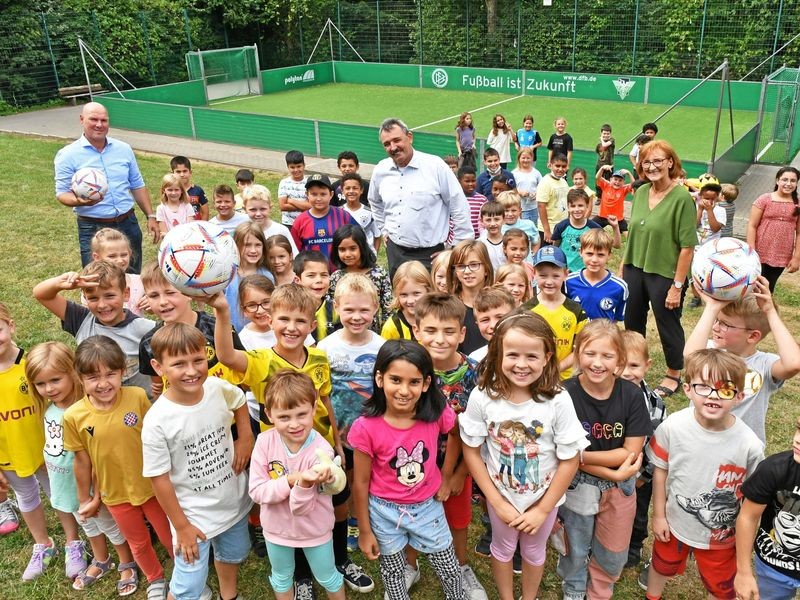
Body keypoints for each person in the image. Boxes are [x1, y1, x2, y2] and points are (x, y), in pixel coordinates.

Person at [211, 285, 374, 596]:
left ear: (311, 325)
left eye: (300, 320)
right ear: (271, 321)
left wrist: (337, 443)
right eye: (284, 319)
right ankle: (301, 576)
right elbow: (226, 356)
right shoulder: (260, 361)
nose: (291, 327)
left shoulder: (319, 357)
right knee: (292, 513)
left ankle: (339, 560)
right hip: (283, 458)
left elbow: (325, 399)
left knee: (336, 507)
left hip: (322, 452)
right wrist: (221, 311)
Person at [461, 311, 588, 600]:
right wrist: (497, 502)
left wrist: (543, 509)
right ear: (497, 354)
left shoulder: (558, 400)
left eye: (532, 356)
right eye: (513, 355)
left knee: (534, 551)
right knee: (502, 549)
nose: (521, 364)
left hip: (543, 498)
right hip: (500, 497)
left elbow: (570, 459)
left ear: (547, 357)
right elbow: (471, 450)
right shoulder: (483, 396)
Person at [142, 323, 253, 600]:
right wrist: (181, 527)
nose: (191, 371)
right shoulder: (157, 421)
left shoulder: (216, 388)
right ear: (158, 367)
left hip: (233, 503)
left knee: (234, 554)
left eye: (198, 360)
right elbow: (159, 479)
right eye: (179, 364)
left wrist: (245, 437)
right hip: (193, 517)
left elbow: (239, 399)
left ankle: (229, 595)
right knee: (188, 586)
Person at [350, 341, 467, 600]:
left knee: (449, 568)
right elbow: (360, 482)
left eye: (414, 382)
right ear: (379, 379)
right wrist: (365, 531)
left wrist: (447, 475)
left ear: (426, 383)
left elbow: (456, 434)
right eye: (395, 379)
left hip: (428, 507)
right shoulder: (365, 427)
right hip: (384, 512)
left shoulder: (436, 412)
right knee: (393, 573)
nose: (404, 390)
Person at [643, 349, 764, 600]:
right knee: (661, 565)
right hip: (674, 524)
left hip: (721, 537)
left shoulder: (749, 446)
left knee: (721, 586)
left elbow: (753, 500)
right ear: (688, 389)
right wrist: (659, 516)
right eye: (704, 387)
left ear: (739, 397)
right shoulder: (673, 427)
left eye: (725, 389)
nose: (713, 395)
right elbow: (661, 471)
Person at [64, 336, 173, 600]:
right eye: (93, 377)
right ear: (80, 378)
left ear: (122, 371)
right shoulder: (73, 416)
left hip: (153, 487)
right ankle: (155, 578)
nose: (103, 384)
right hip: (115, 494)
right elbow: (82, 461)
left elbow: (157, 439)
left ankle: (185, 572)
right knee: (138, 542)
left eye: (110, 374)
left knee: (168, 535)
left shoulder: (137, 397)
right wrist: (86, 498)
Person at [26, 341, 135, 591]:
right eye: (40, 384)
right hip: (66, 486)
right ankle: (102, 559)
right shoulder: (50, 410)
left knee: (109, 525)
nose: (49, 388)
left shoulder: (84, 412)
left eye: (55, 380)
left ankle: (126, 562)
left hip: (90, 488)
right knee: (88, 526)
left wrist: (94, 496)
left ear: (73, 373)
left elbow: (95, 458)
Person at [557, 320, 652, 600]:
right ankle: (574, 587)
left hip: (620, 487)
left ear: (619, 360)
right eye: (590, 353)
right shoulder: (564, 395)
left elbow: (630, 452)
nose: (597, 363)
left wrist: (580, 456)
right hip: (577, 483)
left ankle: (600, 589)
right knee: (575, 543)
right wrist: (606, 469)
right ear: (577, 354)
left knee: (614, 551)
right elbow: (560, 451)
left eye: (607, 356)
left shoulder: (632, 395)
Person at [410, 293, 489, 600]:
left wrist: (459, 473)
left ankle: (460, 567)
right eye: (430, 330)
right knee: (412, 516)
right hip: (414, 464)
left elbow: (481, 432)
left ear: (462, 333)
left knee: (458, 518)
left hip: (459, 462)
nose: (440, 339)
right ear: (417, 331)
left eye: (448, 331)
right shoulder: (409, 371)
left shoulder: (477, 374)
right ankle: (409, 565)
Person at [248, 371, 347, 600]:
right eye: (284, 417)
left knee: (328, 577)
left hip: (314, 530)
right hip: (276, 530)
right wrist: (292, 480)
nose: (294, 424)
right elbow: (257, 491)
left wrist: (307, 483)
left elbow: (301, 508)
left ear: (314, 408)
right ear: (269, 414)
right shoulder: (264, 442)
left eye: (301, 414)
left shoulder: (322, 451)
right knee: (281, 577)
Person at [0, 303, 71, 581]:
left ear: (10, 326)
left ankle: (73, 542)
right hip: (8, 452)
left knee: (58, 493)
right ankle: (43, 544)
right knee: (25, 495)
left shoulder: (32, 365)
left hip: (46, 449)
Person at [683, 279, 800, 445]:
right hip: (697, 441)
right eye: (716, 320)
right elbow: (690, 356)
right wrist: (712, 308)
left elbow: (794, 363)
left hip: (739, 450)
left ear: (752, 336)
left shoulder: (765, 365)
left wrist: (770, 311)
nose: (715, 327)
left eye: (725, 324)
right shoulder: (708, 350)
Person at [622, 140, 697, 398]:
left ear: (670, 162)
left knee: (667, 323)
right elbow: (634, 234)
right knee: (632, 321)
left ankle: (674, 372)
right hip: (635, 267)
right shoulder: (642, 192)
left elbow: (687, 247)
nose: (652, 166)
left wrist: (677, 286)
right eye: (646, 162)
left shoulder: (682, 198)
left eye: (657, 161)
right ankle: (633, 366)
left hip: (665, 273)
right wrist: (623, 267)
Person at [317, 274, 385, 557]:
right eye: (349, 310)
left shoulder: (381, 347)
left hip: (372, 431)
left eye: (364, 310)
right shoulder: (325, 348)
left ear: (376, 308)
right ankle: (343, 522)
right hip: (339, 429)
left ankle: (361, 520)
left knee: (365, 478)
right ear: (336, 307)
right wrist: (333, 435)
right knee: (343, 478)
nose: (357, 317)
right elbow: (322, 394)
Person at [54, 102, 159, 271]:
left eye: (104, 120)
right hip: (93, 227)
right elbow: (62, 194)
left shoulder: (123, 149)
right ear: (82, 119)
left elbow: (137, 184)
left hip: (128, 223)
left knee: (132, 275)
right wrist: (81, 201)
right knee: (97, 278)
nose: (99, 124)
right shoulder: (67, 155)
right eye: (93, 119)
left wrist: (150, 216)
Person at [33, 260, 155, 395]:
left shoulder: (146, 329)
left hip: (141, 404)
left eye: (109, 296)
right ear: (85, 298)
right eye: (93, 298)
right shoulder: (81, 320)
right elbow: (41, 294)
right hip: (98, 404)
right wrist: (61, 282)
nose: (102, 305)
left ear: (125, 294)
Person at [369, 118, 472, 277]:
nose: (393, 147)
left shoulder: (435, 166)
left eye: (397, 140)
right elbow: (375, 202)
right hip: (395, 252)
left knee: (434, 293)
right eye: (387, 144)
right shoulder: (380, 170)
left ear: (409, 137)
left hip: (431, 256)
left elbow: (459, 206)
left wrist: (454, 249)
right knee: (400, 293)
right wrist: (384, 229)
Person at [137, 261, 245, 398]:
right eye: (154, 296)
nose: (162, 302)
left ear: (189, 293)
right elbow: (159, 386)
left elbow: (244, 372)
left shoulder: (216, 328)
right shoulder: (148, 343)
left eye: (170, 293)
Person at [735, 417, 800, 600]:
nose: (797, 439)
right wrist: (743, 572)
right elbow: (747, 517)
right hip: (774, 566)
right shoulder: (774, 469)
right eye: (799, 428)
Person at [618, 330, 667, 570]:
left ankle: (634, 544)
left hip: (640, 473)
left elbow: (657, 444)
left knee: (637, 512)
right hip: (609, 470)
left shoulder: (655, 403)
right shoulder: (606, 394)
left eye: (634, 365)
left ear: (647, 366)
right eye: (620, 365)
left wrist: (642, 476)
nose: (626, 372)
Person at [522, 246, 587, 379]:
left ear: (566, 274)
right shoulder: (526, 311)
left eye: (556, 276)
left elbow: (580, 349)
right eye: (543, 275)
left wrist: (556, 369)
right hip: (533, 377)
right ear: (534, 274)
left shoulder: (576, 311)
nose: (549, 282)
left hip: (565, 379)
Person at [328, 225, 392, 332]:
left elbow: (388, 308)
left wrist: (386, 334)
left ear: (362, 248)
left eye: (352, 248)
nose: (347, 254)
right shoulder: (336, 277)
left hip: (373, 335)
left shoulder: (379, 274)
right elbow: (331, 310)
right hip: (344, 334)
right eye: (342, 250)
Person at [746, 166, 800, 292]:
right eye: (784, 179)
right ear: (777, 180)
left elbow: (799, 233)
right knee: (753, 285)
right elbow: (752, 226)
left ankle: (765, 304)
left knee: (769, 287)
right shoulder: (764, 199)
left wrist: (797, 257)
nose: (788, 184)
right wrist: (751, 251)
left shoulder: (798, 204)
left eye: (793, 181)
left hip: (782, 254)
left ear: (797, 183)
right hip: (759, 251)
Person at [291, 174, 356, 265]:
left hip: (341, 270)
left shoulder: (343, 216)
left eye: (323, 194)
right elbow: (294, 251)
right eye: (314, 194)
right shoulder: (300, 221)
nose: (318, 198)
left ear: (331, 194)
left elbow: (358, 241)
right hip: (312, 271)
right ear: (307, 195)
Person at [564, 229, 627, 322]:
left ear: (609, 255)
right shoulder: (568, 281)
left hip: (604, 331)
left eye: (600, 255)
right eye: (589, 254)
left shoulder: (619, 286)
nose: (594, 260)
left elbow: (616, 319)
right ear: (580, 252)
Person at [447, 240, 494, 355]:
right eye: (461, 266)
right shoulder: (449, 307)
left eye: (474, 265)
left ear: (486, 269)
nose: (467, 271)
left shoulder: (499, 304)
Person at [226, 222, 273, 332]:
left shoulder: (267, 276)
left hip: (260, 333)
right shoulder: (227, 275)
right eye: (247, 245)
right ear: (237, 246)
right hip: (233, 334)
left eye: (258, 245)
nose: (253, 250)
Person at [89, 228, 146, 316]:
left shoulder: (139, 281)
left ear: (130, 253)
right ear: (97, 257)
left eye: (124, 255)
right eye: (112, 256)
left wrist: (150, 302)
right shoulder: (92, 284)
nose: (120, 260)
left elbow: (153, 308)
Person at [551, 188, 604, 273]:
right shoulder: (561, 227)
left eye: (580, 205)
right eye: (573, 206)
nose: (577, 209)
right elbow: (555, 249)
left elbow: (603, 249)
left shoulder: (595, 228)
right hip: (565, 271)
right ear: (568, 207)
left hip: (586, 271)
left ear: (587, 206)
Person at [293, 250, 340, 343]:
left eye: (324, 275)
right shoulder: (289, 308)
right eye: (311, 275)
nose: (319, 280)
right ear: (297, 280)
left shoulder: (336, 309)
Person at [381, 260, 434, 342]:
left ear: (428, 290)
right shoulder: (392, 327)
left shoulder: (438, 317)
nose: (410, 301)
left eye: (416, 293)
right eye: (404, 295)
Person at [243, 184, 298, 255]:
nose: (258, 214)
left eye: (263, 209)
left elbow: (294, 256)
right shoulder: (242, 231)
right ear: (245, 209)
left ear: (270, 208)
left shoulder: (281, 230)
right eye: (253, 209)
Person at [468, 287, 515, 363]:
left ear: (514, 317)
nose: (493, 325)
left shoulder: (530, 351)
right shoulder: (475, 359)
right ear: (477, 324)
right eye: (485, 320)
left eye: (500, 317)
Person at [340, 173, 381, 254]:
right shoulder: (338, 212)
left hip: (366, 255)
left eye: (355, 188)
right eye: (347, 188)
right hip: (346, 255)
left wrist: (374, 254)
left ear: (361, 190)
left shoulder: (370, 213)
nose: (351, 191)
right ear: (342, 191)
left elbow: (377, 236)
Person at [536, 154, 570, 245]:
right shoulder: (545, 182)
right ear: (550, 165)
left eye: (563, 166)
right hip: (549, 229)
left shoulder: (564, 182)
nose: (560, 169)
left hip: (562, 227)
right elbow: (541, 206)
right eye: (557, 166)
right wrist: (547, 230)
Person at [498, 190, 540, 259]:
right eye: (506, 211)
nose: (510, 214)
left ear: (520, 210)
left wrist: (533, 254)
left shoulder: (528, 225)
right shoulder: (497, 228)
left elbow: (536, 240)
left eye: (513, 210)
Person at [593, 166, 633, 235]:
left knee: (628, 234)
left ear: (623, 182)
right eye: (615, 179)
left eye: (620, 180)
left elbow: (634, 184)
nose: (617, 182)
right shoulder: (606, 185)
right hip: (602, 216)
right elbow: (598, 177)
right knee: (589, 228)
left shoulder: (624, 189)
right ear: (611, 179)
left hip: (617, 218)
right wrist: (602, 168)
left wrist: (629, 173)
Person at [170, 156, 208, 220]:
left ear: (190, 172)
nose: (182, 175)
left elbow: (205, 213)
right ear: (172, 173)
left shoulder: (198, 190)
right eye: (178, 172)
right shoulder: (170, 192)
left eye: (185, 171)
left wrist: (202, 225)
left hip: (195, 225)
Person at [278, 150, 310, 227]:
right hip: (288, 224)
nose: (296, 170)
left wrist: (291, 201)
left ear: (304, 165)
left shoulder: (310, 182)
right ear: (288, 167)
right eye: (292, 167)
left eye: (299, 166)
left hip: (306, 222)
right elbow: (282, 206)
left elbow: (311, 206)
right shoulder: (284, 183)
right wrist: (304, 204)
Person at [512, 147, 542, 224]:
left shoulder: (536, 173)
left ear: (532, 159)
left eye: (528, 158)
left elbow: (542, 187)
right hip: (520, 208)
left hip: (534, 207)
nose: (525, 160)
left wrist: (537, 193)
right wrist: (520, 192)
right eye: (523, 158)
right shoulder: (514, 173)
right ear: (519, 158)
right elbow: (510, 189)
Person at [457, 166, 488, 239]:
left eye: (473, 181)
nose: (471, 184)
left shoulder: (482, 199)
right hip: (459, 239)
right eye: (467, 181)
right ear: (459, 182)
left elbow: (486, 219)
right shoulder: (455, 199)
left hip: (478, 239)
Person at [478, 201, 506, 270]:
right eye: (488, 220)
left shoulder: (509, 240)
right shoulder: (480, 244)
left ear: (504, 220)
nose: (492, 224)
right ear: (482, 221)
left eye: (497, 219)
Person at [594, 124, 615, 201]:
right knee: (598, 181)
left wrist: (601, 139)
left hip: (609, 166)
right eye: (604, 133)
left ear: (610, 134)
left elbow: (605, 145)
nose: (606, 135)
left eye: (608, 134)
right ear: (601, 133)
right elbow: (598, 152)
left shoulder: (612, 140)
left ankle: (608, 197)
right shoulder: (598, 144)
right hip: (599, 166)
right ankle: (599, 197)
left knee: (609, 181)